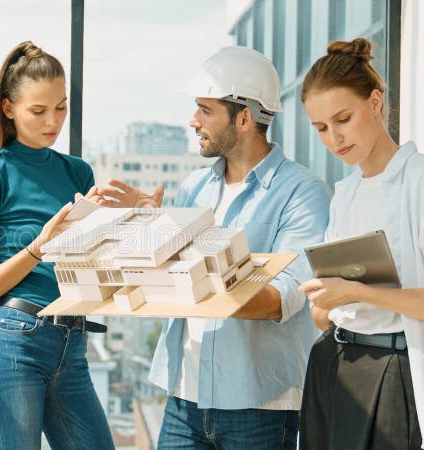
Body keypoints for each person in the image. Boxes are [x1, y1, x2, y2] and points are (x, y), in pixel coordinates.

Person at [96, 46, 331, 449]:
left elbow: (281, 299)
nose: (193, 121)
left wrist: (191, 263)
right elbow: (171, 280)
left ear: (243, 118)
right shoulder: (194, 188)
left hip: (259, 406)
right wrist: (153, 229)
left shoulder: (302, 194)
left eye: (205, 110)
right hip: (184, 397)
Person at [298, 37, 424, 450]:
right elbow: (326, 319)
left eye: (343, 118)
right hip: (332, 365)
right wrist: (325, 303)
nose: (334, 138)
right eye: (321, 128)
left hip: (392, 371)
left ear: (375, 102)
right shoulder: (344, 192)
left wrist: (358, 291)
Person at [0, 41, 114, 450]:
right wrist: (38, 248)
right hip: (13, 344)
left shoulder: (77, 172)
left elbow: (89, 269)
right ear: (8, 108)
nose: (53, 121)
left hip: (72, 344)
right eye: (38, 111)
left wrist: (133, 219)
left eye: (60, 108)